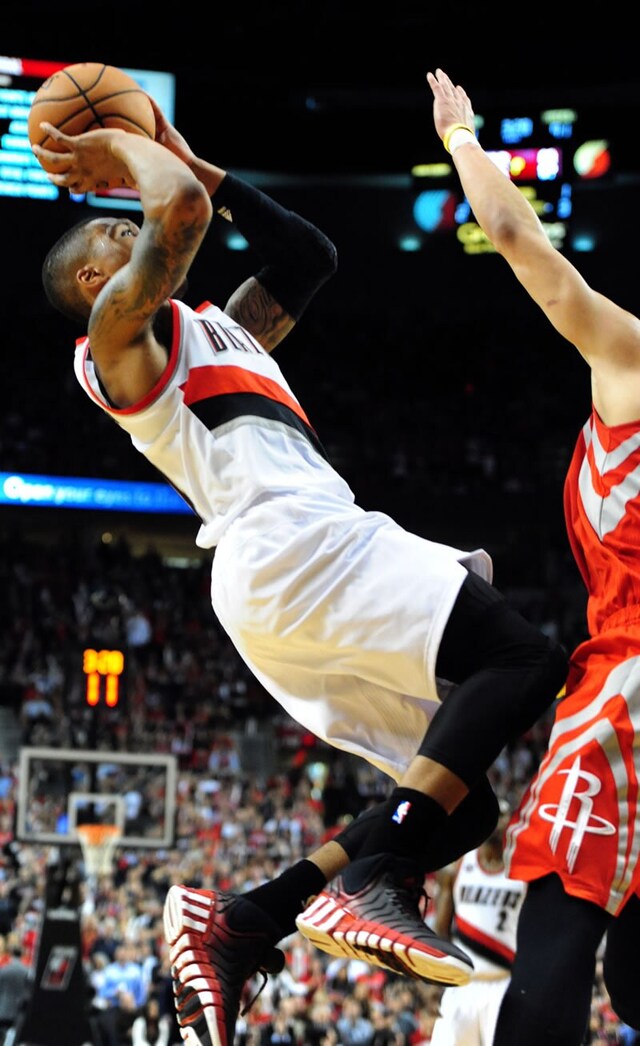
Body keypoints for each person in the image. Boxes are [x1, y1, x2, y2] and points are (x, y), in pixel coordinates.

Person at [33, 94, 567, 1046]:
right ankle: (372, 882)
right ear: (92, 277)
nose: (133, 221)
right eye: (115, 228)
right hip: (289, 546)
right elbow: (179, 215)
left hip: (296, 561)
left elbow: (310, 256)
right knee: (521, 657)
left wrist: (198, 165)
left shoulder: (218, 328)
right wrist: (118, 142)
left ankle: (246, 923)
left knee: (460, 806)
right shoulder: (115, 341)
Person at [427, 66, 640, 1046]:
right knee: (630, 982)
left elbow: (516, 237)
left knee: (553, 950)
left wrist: (462, 136)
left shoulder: (627, 355)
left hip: (624, 691)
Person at [429, 801, 525, 1045]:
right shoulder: (456, 866)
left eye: (503, 816)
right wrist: (439, 978)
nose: (497, 823)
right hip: (463, 983)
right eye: (494, 816)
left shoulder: (525, 868)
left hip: (505, 981)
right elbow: (441, 929)